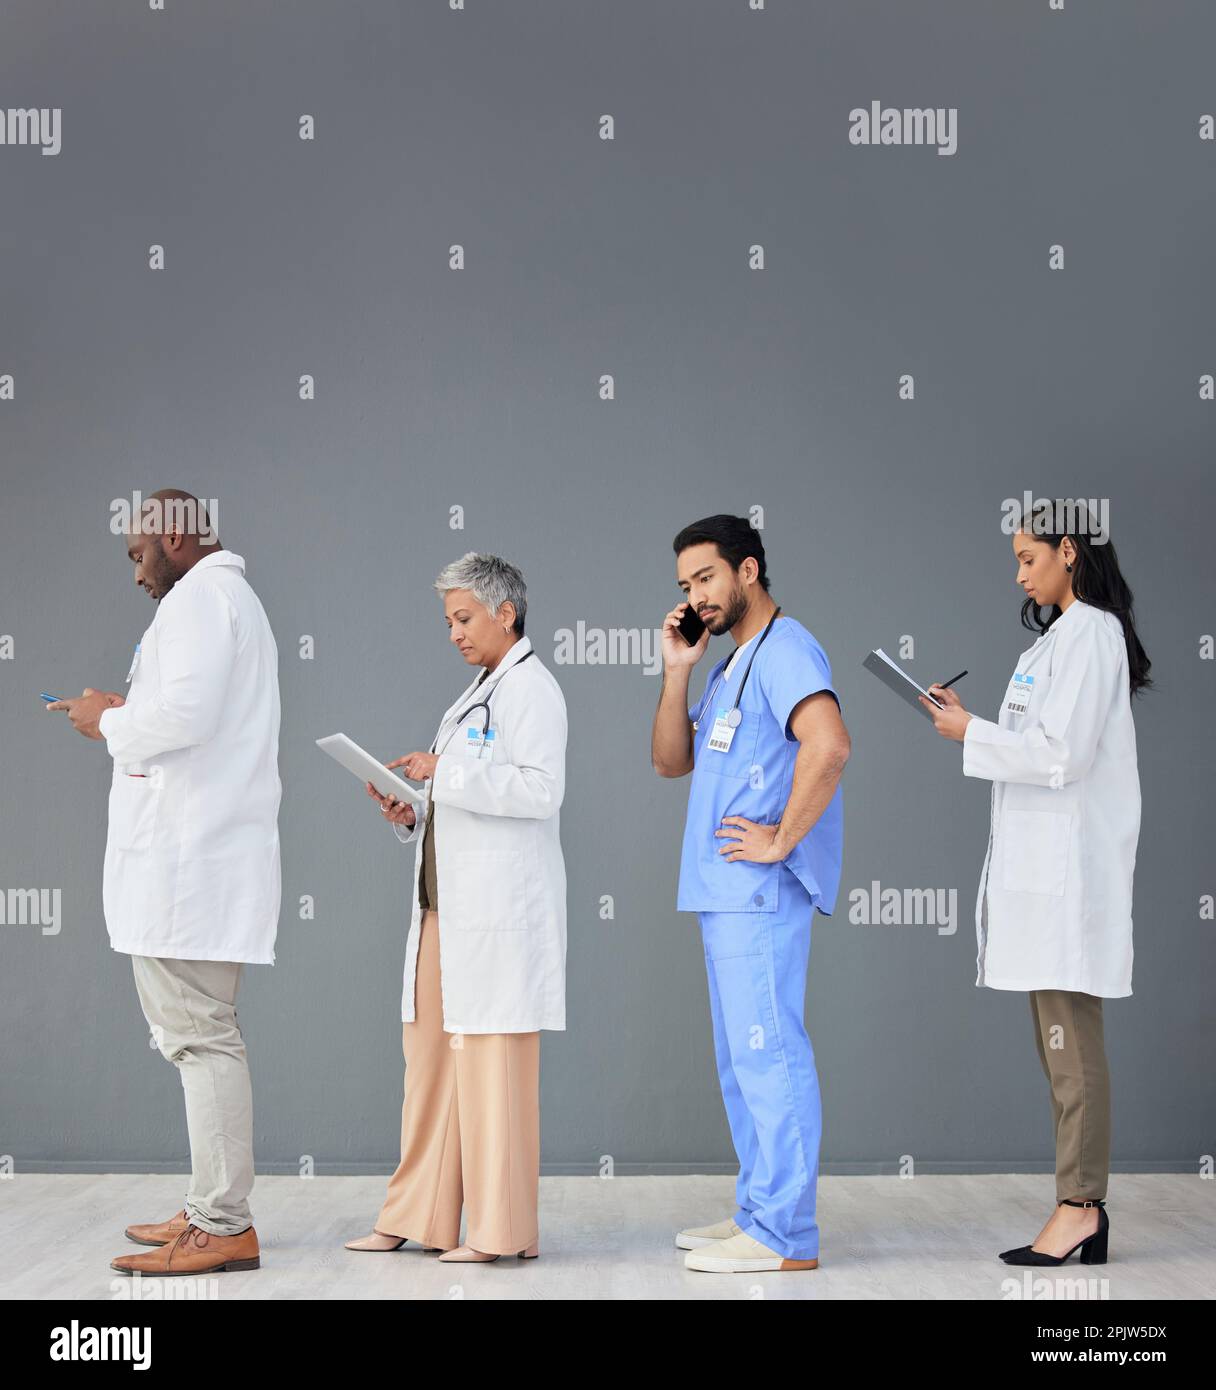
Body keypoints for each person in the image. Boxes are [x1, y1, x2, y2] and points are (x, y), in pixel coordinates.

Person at [48, 489, 281, 1277]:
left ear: (176, 537)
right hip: (199, 862)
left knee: (200, 1038)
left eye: (138, 552)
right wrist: (128, 708)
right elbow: (186, 712)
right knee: (197, 1036)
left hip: (191, 868)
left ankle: (223, 1222)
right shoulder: (220, 601)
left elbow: (182, 717)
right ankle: (208, 1202)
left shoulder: (199, 604)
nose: (135, 572)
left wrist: (106, 721)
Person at [920, 500, 1149, 1267]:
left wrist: (971, 735)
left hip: (1068, 878)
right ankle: (1079, 1204)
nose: (1019, 572)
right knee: (1059, 1053)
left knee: (1071, 1054)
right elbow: (1035, 741)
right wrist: (971, 723)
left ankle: (1081, 1207)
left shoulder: (1092, 634)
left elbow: (1063, 756)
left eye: (1028, 557)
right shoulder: (1058, 640)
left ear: (1069, 551)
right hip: (1040, 878)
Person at [344, 553, 567, 1263]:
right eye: (448, 621)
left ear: (506, 613)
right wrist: (410, 810)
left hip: (497, 919)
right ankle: (415, 1216)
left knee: (492, 1070)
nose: (453, 634)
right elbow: (465, 799)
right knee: (432, 1065)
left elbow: (539, 793)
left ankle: (503, 1234)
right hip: (444, 912)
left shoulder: (534, 691)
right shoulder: (476, 692)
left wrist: (446, 771)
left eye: (464, 619)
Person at [651, 515, 851, 1273]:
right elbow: (672, 762)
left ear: (749, 570)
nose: (696, 596)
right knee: (744, 1061)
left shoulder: (787, 648)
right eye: (685, 586)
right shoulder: (733, 665)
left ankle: (787, 1236)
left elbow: (829, 745)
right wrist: (677, 671)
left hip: (761, 892)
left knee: (771, 1055)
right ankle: (758, 1213)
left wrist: (778, 839)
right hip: (723, 894)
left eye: (706, 578)